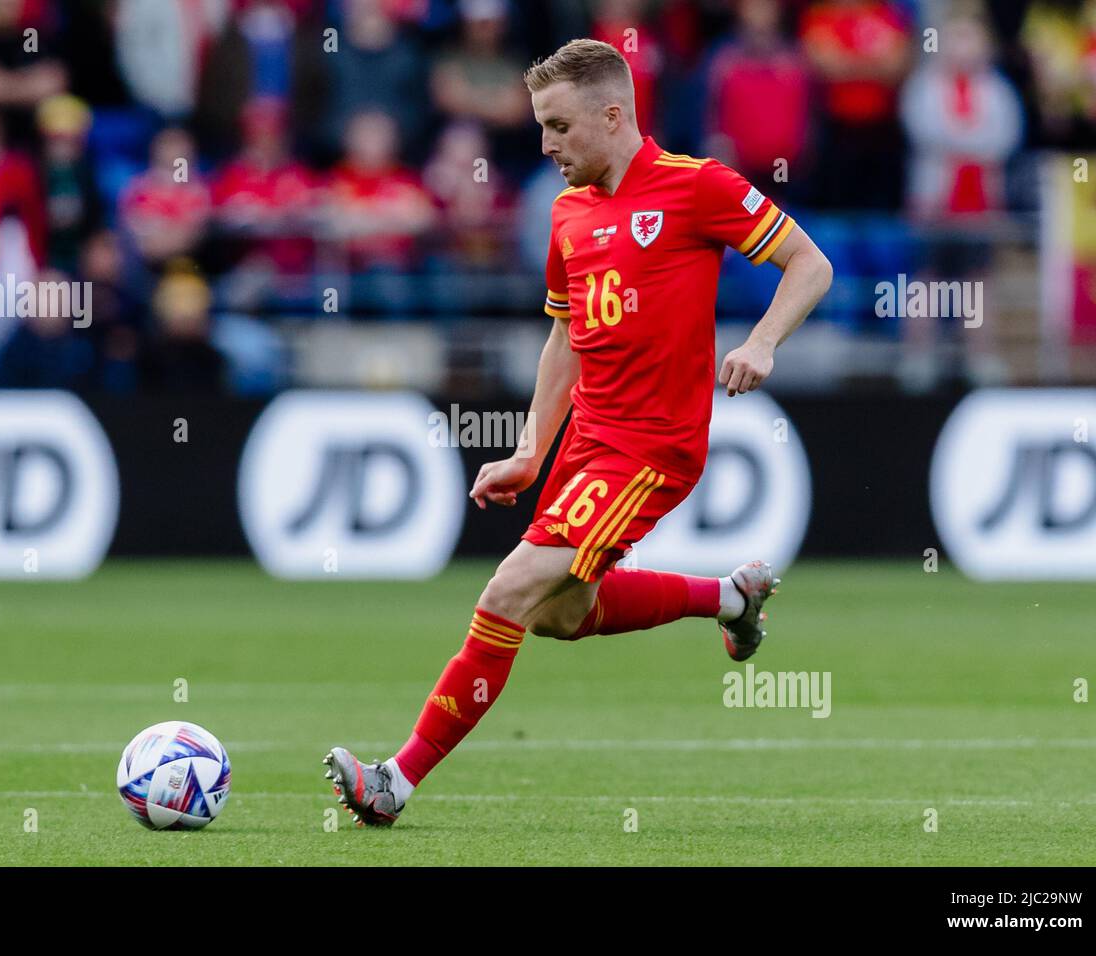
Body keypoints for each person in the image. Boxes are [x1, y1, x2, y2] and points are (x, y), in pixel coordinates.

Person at [323, 39, 833, 826]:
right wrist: (532, 448)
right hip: (587, 442)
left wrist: (762, 339)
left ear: (612, 114)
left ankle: (395, 780)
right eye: (540, 127)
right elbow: (564, 341)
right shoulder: (567, 214)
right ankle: (730, 599)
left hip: (654, 446)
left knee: (510, 590)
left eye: (558, 126)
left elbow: (809, 264)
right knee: (560, 612)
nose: (545, 145)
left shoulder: (698, 187)